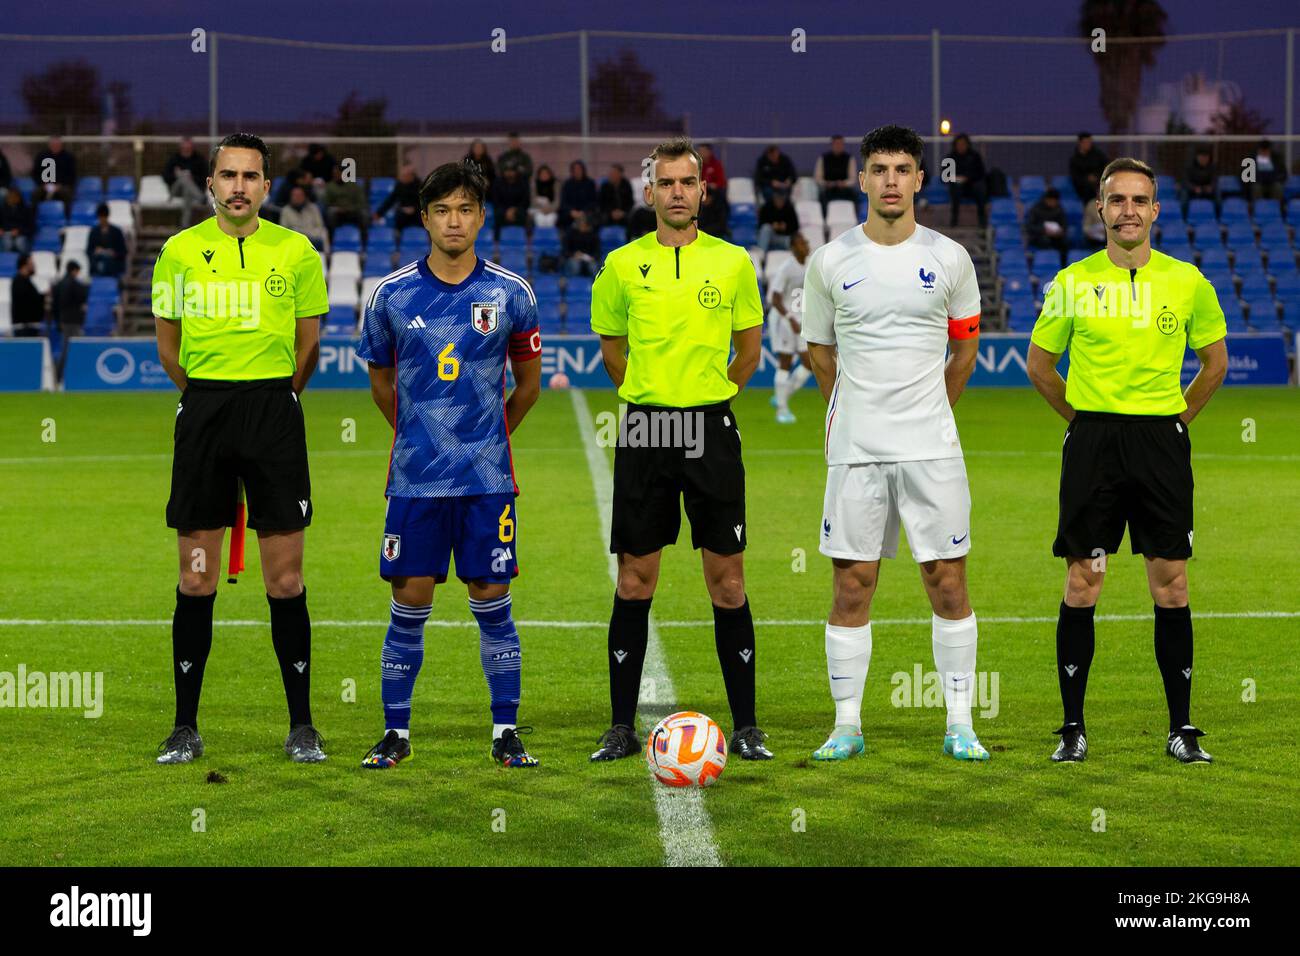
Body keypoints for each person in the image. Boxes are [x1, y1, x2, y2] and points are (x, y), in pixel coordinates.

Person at [1027, 157, 1228, 765]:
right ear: (1101, 210)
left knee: (1171, 583)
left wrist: (1174, 422)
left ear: (1155, 211)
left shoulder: (1188, 281)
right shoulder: (1071, 281)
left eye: (1140, 201)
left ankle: (1183, 728)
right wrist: (1085, 423)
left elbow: (1214, 363)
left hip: (1160, 448)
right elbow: (1040, 365)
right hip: (1094, 448)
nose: (1129, 211)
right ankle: (1071, 727)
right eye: (1118, 201)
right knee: (1084, 580)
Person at [802, 125, 988, 763]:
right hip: (855, 448)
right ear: (861, 179)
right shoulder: (829, 261)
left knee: (947, 581)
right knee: (853, 584)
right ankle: (846, 726)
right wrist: (857, 404)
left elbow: (964, 351)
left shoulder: (950, 259)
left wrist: (927, 409)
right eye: (878, 169)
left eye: (902, 169)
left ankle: (960, 723)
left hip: (932, 448)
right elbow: (819, 351)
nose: (890, 180)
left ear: (918, 180)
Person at [354, 161, 543, 770]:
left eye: (465, 209)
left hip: (487, 482)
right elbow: (381, 384)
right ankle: (395, 734)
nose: (454, 221)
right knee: (408, 601)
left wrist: (484, 439)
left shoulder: (511, 293)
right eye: (442, 210)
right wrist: (421, 436)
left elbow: (529, 384)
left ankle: (506, 731)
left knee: (493, 601)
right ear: (425, 218)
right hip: (415, 482)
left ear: (481, 217)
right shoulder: (390, 295)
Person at [589, 137, 771, 762]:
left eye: (686, 183)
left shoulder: (733, 263)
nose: (676, 193)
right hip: (645, 431)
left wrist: (709, 399)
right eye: (665, 183)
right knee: (636, 579)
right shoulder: (619, 266)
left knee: (727, 579)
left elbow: (748, 352)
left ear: (702, 191)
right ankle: (619, 725)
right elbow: (613, 352)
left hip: (711, 430)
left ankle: (746, 724)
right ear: (649, 193)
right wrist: (653, 398)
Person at [151, 132, 329, 766]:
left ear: (266, 187)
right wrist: (207, 397)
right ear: (210, 183)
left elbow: (308, 346)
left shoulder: (298, 251)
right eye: (227, 175)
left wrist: (275, 400)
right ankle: (184, 727)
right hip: (205, 415)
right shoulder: (178, 252)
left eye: (250, 177)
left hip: (273, 415)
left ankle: (303, 726)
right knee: (196, 579)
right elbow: (168, 349)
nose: (238, 187)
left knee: (285, 579)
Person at [768, 231, 813, 424]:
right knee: (785, 362)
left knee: (809, 363)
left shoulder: (810, 264)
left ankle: (782, 395)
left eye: (806, 242)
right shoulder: (787, 268)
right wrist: (789, 318)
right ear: (793, 248)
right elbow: (775, 298)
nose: (806, 245)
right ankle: (782, 410)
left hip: (801, 319)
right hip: (784, 319)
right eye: (801, 243)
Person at [163, 136, 208, 229]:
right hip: (176, 190)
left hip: (191, 190)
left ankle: (184, 225)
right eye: (184, 147)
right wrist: (176, 175)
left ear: (192, 147)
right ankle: (201, 198)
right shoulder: (174, 159)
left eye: (188, 147)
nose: (186, 149)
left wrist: (193, 178)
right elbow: (165, 176)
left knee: (187, 191)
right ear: (181, 147)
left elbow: (205, 177)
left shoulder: (199, 159)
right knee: (183, 178)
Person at [53, 260, 88, 380]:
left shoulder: (59, 284)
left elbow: (55, 304)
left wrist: (58, 320)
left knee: (66, 348)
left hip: (64, 320)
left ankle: (60, 374)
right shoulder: (73, 284)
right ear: (74, 270)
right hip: (73, 321)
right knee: (71, 348)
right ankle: (64, 374)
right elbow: (82, 296)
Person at [945, 133, 987, 228]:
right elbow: (944, 176)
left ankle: (982, 221)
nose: (961, 147)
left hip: (972, 186)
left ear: (968, 145)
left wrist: (967, 178)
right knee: (955, 188)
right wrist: (955, 178)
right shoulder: (950, 158)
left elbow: (981, 173)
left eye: (963, 144)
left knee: (980, 188)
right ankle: (954, 220)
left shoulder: (975, 156)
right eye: (958, 144)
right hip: (957, 187)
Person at [323, 162, 368, 239]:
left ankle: (364, 242)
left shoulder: (354, 186)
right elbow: (326, 203)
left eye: (337, 173)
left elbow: (361, 203)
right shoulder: (330, 186)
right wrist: (337, 208)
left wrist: (348, 209)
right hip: (337, 213)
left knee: (363, 214)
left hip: (352, 213)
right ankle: (331, 241)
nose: (335, 175)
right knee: (330, 213)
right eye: (334, 173)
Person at [1025, 188, 1069, 267]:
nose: (1053, 203)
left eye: (1055, 201)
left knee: (1065, 244)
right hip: (1039, 237)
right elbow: (1030, 227)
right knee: (1045, 241)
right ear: (1047, 199)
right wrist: (1043, 230)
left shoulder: (1059, 209)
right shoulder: (1036, 209)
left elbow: (1064, 226)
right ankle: (1045, 265)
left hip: (1056, 237)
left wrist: (1060, 232)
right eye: (1051, 201)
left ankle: (1062, 267)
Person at [32, 135, 77, 210]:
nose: (55, 146)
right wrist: (43, 184)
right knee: (35, 194)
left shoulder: (68, 157)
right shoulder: (41, 156)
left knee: (67, 194)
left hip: (62, 186)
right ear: (49, 145)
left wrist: (60, 185)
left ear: (61, 145)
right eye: (53, 144)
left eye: (57, 144)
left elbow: (72, 176)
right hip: (45, 185)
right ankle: (33, 219)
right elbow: (35, 173)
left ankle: (67, 218)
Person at [488, 163, 530, 241]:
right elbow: (496, 201)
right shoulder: (497, 183)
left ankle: (525, 242)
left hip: (518, 210)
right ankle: (496, 244)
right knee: (497, 215)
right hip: (502, 211)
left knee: (525, 216)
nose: (509, 173)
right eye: (507, 171)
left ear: (516, 172)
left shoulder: (523, 183)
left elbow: (526, 201)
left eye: (512, 171)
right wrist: (506, 211)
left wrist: (514, 210)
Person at [280, 184, 329, 252]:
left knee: (324, 232)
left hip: (312, 236)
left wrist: (309, 234)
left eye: (299, 195)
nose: (296, 198)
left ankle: (326, 258)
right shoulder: (286, 210)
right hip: (295, 238)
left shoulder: (313, 208)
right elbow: (283, 229)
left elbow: (320, 226)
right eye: (294, 195)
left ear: (304, 196)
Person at [815, 134, 858, 211]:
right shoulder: (823, 158)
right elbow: (818, 178)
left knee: (854, 196)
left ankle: (854, 217)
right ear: (832, 145)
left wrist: (844, 183)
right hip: (828, 190)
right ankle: (825, 218)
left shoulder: (849, 159)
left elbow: (853, 179)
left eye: (840, 144)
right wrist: (826, 183)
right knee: (822, 196)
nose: (838, 146)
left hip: (844, 189)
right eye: (836, 144)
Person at [374, 164, 422, 232]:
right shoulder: (399, 185)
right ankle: (398, 237)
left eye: (404, 176)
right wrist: (379, 213)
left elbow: (424, 202)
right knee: (399, 217)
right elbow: (390, 200)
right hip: (403, 212)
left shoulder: (420, 186)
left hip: (417, 211)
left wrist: (414, 209)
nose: (402, 178)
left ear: (411, 176)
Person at [87, 203, 127, 278]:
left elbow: (123, 251)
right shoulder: (94, 232)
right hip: (97, 263)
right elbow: (89, 250)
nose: (102, 219)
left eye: (104, 217)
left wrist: (114, 253)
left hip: (114, 265)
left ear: (107, 216)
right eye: (100, 217)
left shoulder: (117, 232)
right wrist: (96, 251)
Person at [10, 253, 45, 336]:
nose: (34, 266)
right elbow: (28, 303)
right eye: (31, 264)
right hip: (24, 328)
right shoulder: (18, 282)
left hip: (29, 326)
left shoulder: (27, 281)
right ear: (24, 266)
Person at [1068, 132, 1108, 203]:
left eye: (1089, 142)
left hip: (1099, 183)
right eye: (1085, 142)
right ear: (1080, 143)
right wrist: (1087, 179)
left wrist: (1096, 177)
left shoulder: (1098, 155)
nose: (1088, 144)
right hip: (1083, 189)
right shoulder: (1074, 159)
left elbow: (1106, 167)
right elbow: (1075, 177)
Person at [558, 160, 597, 230]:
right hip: (571, 213)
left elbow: (593, 201)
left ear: (583, 170)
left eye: (579, 169)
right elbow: (563, 202)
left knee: (591, 217)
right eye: (575, 169)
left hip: (586, 212)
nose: (577, 171)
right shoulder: (567, 184)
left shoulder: (590, 183)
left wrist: (583, 212)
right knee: (562, 217)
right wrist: (571, 211)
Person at [757, 187, 799, 252]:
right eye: (778, 199)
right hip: (770, 237)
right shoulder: (767, 207)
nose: (779, 202)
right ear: (774, 198)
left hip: (784, 238)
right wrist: (772, 225)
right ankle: (761, 256)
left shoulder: (789, 208)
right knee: (766, 228)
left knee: (793, 241)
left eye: (781, 199)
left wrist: (786, 227)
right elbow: (760, 224)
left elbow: (796, 226)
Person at [562, 208, 601, 276]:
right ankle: (574, 285)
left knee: (593, 267)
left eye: (584, 224)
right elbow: (565, 250)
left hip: (589, 259)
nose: (583, 225)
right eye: (581, 223)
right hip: (574, 258)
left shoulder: (593, 235)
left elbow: (597, 251)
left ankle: (594, 285)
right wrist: (573, 255)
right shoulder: (571, 234)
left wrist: (592, 257)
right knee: (575, 266)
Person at [1246, 138, 1286, 204]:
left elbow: (1283, 173)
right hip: (1257, 183)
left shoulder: (1276, 158)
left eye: (1266, 150)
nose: (1264, 153)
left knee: (1278, 187)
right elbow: (1245, 175)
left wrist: (1276, 179)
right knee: (1256, 188)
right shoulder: (1251, 158)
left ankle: (1277, 208)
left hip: (1273, 183)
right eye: (1262, 150)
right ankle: (1258, 208)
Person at [1181, 145, 1218, 215]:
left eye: (1206, 157)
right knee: (1184, 195)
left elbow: (1215, 180)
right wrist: (1194, 188)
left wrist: (1211, 187)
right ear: (1197, 157)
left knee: (1217, 193)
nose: (1204, 159)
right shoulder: (1189, 166)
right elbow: (1185, 182)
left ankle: (1218, 217)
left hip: (1207, 191)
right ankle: (1184, 217)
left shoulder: (1212, 167)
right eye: (1202, 157)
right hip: (1192, 190)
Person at [598, 164, 634, 228]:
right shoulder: (604, 187)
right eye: (610, 173)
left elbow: (630, 202)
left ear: (620, 174)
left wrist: (623, 212)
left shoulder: (626, 185)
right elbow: (601, 203)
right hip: (608, 214)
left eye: (614, 173)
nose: (611, 175)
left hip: (623, 214)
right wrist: (611, 212)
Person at [1, 186, 32, 254]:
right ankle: (7, 262)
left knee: (20, 243)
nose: (12, 199)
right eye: (10, 197)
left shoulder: (25, 209)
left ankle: (24, 260)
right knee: (7, 243)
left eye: (14, 197)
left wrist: (19, 231)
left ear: (18, 197)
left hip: (21, 233)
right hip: (7, 233)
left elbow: (29, 225)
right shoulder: (3, 209)